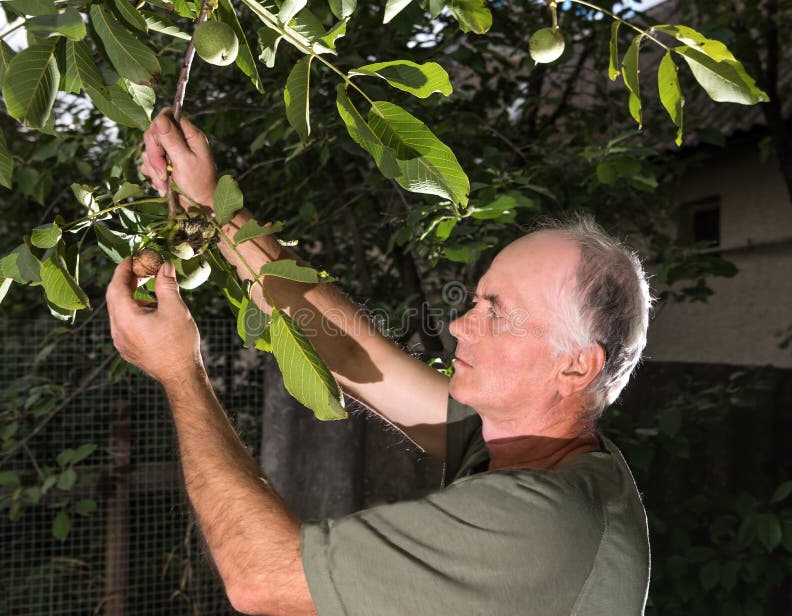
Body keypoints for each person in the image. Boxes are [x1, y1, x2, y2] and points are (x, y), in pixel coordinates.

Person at [106, 110, 652, 616]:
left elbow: (262, 576)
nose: (461, 325)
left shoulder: (542, 520)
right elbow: (353, 352)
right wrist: (213, 208)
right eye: (477, 301)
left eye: (498, 314)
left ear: (576, 367)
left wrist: (181, 372)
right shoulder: (519, 445)